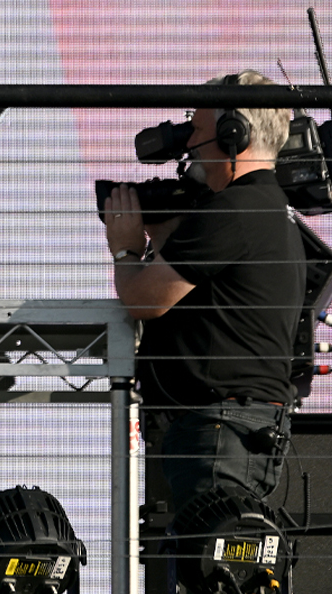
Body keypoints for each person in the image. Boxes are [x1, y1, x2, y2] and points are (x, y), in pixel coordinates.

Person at [100, 70, 306, 531]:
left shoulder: (233, 212)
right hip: (234, 427)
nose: (188, 141)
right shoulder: (263, 208)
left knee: (217, 572)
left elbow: (143, 298)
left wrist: (126, 247)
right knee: (224, 566)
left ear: (235, 134)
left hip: (220, 431)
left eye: (197, 128)